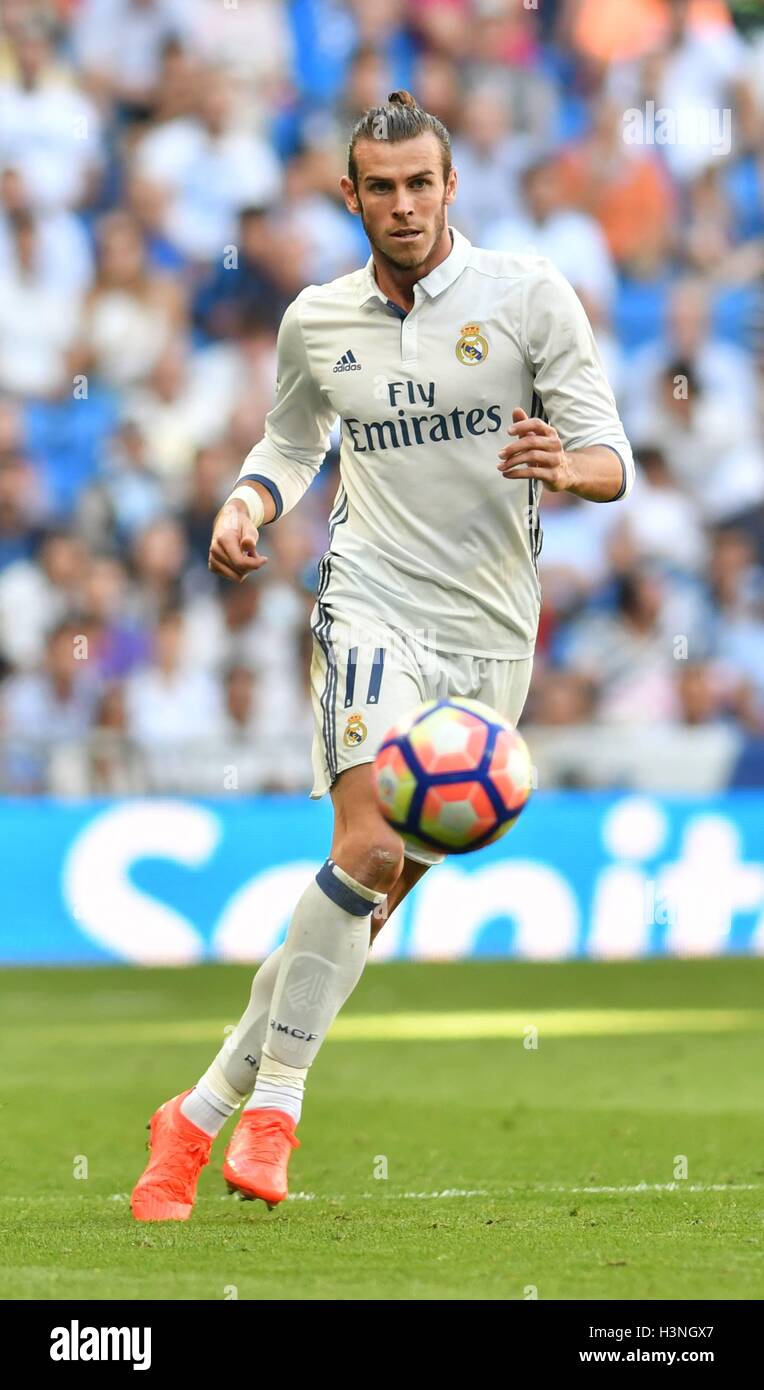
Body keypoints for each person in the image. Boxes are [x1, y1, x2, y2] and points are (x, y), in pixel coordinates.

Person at [131, 90, 634, 1222]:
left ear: (451, 187)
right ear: (348, 195)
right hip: (370, 605)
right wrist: (247, 499)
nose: (403, 205)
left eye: (421, 183)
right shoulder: (317, 318)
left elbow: (610, 457)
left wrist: (562, 464)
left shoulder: (527, 298)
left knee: (364, 894)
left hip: (491, 635)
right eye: (382, 187)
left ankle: (195, 1115)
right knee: (360, 843)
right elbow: (291, 437)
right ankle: (277, 1108)